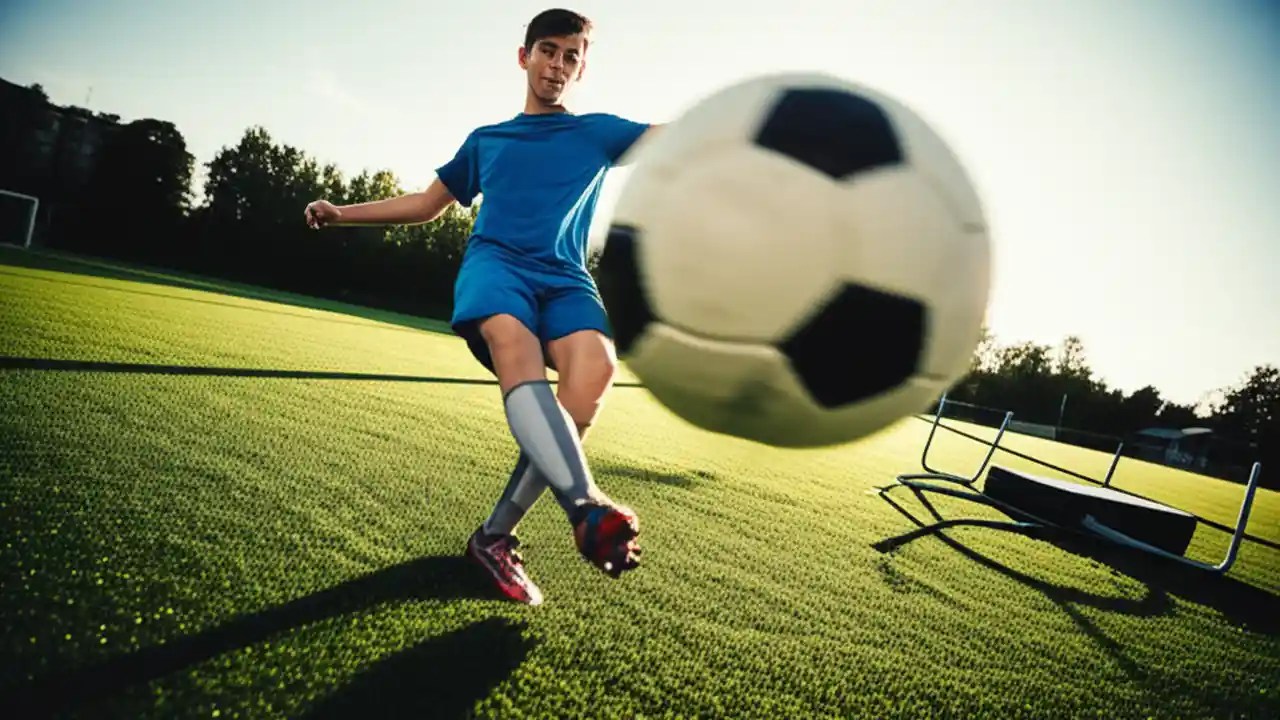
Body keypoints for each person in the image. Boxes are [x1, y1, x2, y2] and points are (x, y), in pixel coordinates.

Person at [303, 8, 661, 606]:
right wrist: (343, 213)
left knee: (595, 369)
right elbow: (425, 204)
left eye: (571, 56)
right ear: (524, 57)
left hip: (566, 278)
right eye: (548, 50)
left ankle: (494, 537)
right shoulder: (487, 140)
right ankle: (586, 506)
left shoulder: (598, 132)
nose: (558, 65)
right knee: (512, 341)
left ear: (582, 69)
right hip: (498, 268)